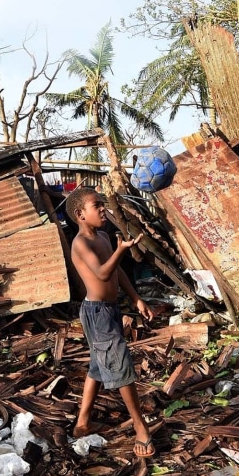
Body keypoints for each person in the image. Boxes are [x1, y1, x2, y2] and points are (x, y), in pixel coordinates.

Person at [65, 187, 157, 458]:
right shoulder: (81, 243)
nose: (103, 208)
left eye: (102, 203)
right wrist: (121, 250)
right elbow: (103, 274)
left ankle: (82, 423)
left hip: (110, 310)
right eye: (97, 205)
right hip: (96, 313)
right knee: (121, 366)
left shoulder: (103, 236)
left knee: (98, 365)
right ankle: (141, 429)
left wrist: (136, 298)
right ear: (81, 215)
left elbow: (116, 273)